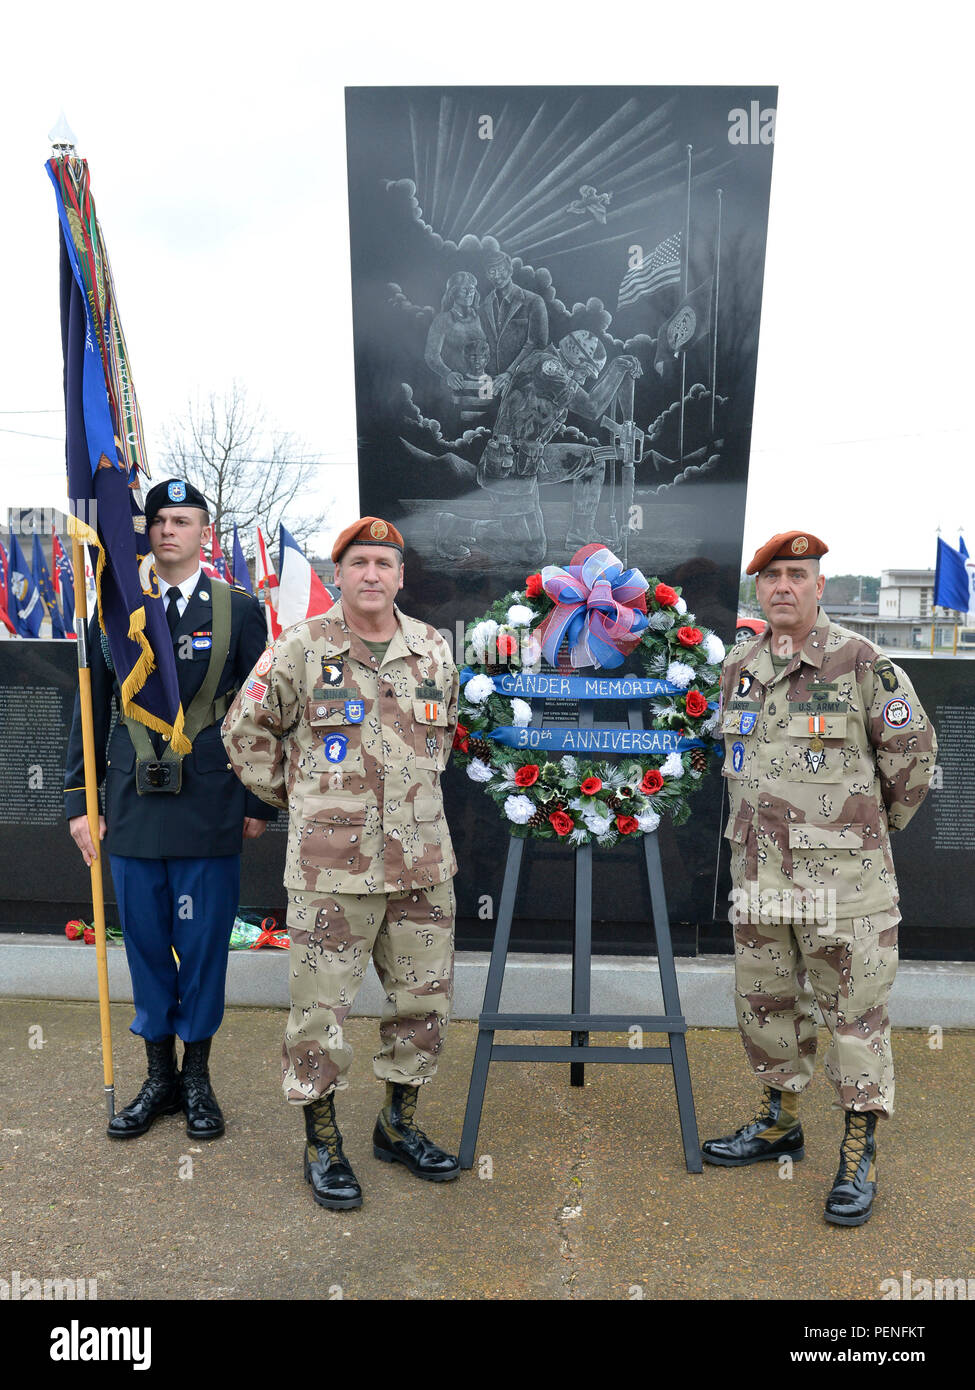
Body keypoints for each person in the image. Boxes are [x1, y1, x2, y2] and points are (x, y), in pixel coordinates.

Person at [221, 517, 460, 1210]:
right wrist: (297, 797)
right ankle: (322, 1141)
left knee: (424, 1006)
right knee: (319, 1014)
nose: (372, 575)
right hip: (332, 872)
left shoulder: (432, 651)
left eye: (384, 563)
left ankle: (398, 1125)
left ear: (400, 575)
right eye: (358, 562)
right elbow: (245, 730)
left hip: (421, 865)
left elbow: (440, 741)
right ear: (339, 574)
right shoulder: (301, 646)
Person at [703, 531, 938, 1226]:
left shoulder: (862, 663)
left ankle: (858, 1151)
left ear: (818, 587)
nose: (783, 586)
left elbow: (914, 760)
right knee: (766, 1006)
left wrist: (862, 835)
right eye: (772, 576)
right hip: (759, 875)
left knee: (854, 1021)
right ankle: (778, 1122)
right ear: (758, 589)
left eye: (796, 575)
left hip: (845, 886)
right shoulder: (739, 667)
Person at [65, 479, 273, 1141]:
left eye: (182, 521)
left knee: (204, 947)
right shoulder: (114, 607)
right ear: (145, 532)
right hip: (130, 806)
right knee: (148, 946)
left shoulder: (238, 611)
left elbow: (257, 712)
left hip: (209, 804)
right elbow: (90, 708)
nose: (168, 532)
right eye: (158, 521)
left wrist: (257, 798)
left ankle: (198, 1078)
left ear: (204, 533)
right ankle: (158, 1077)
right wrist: (80, 802)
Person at [478, 250, 548, 393]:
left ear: (510, 270)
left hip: (522, 384)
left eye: (501, 269)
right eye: (492, 271)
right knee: (484, 415)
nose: (497, 275)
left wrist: (510, 373)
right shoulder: (483, 307)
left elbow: (537, 344)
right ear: (487, 275)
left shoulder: (534, 301)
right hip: (488, 383)